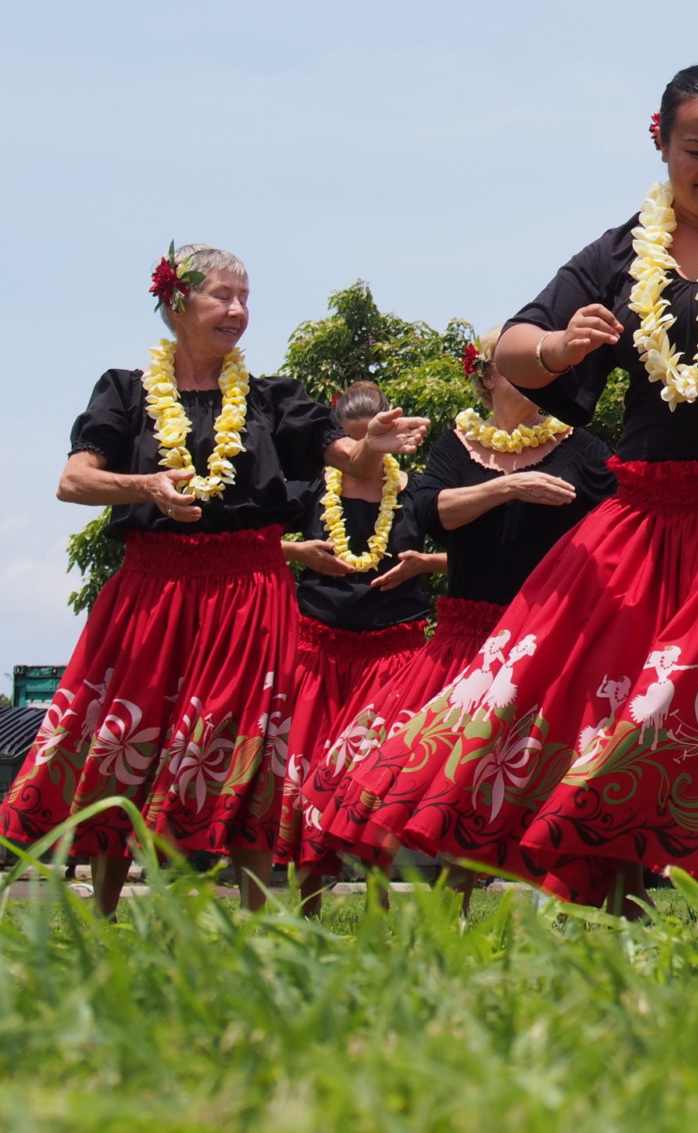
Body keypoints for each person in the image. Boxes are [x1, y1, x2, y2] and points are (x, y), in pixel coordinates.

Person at [332, 65, 698, 912]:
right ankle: (584, 873)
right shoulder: (621, 251)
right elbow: (514, 340)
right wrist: (557, 349)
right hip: (651, 507)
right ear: (659, 143)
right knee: (554, 659)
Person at [0, 244, 426, 914]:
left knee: (249, 748)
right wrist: (146, 485)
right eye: (222, 296)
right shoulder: (125, 390)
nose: (237, 310)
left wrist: (371, 444)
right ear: (176, 304)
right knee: (124, 739)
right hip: (152, 588)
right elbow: (72, 480)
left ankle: (257, 921)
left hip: (248, 591)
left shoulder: (269, 399)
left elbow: (344, 457)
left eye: (245, 299)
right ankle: (106, 911)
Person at [305, 330, 614, 885]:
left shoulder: (582, 450)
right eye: (520, 364)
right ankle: (454, 923)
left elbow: (618, 531)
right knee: (445, 780)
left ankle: (586, 922)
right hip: (466, 639)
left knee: (560, 783)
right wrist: (508, 488)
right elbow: (430, 512)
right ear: (489, 376)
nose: (540, 375)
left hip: (550, 638)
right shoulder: (455, 448)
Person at [279, 380, 444, 912]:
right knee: (309, 776)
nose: (360, 459)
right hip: (318, 650)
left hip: (393, 652)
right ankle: (307, 911)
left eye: (372, 446)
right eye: (351, 448)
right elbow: (251, 538)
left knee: (375, 779)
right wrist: (296, 551)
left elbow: (477, 556)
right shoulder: (308, 490)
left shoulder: (415, 494)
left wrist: (425, 565)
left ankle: (379, 909)